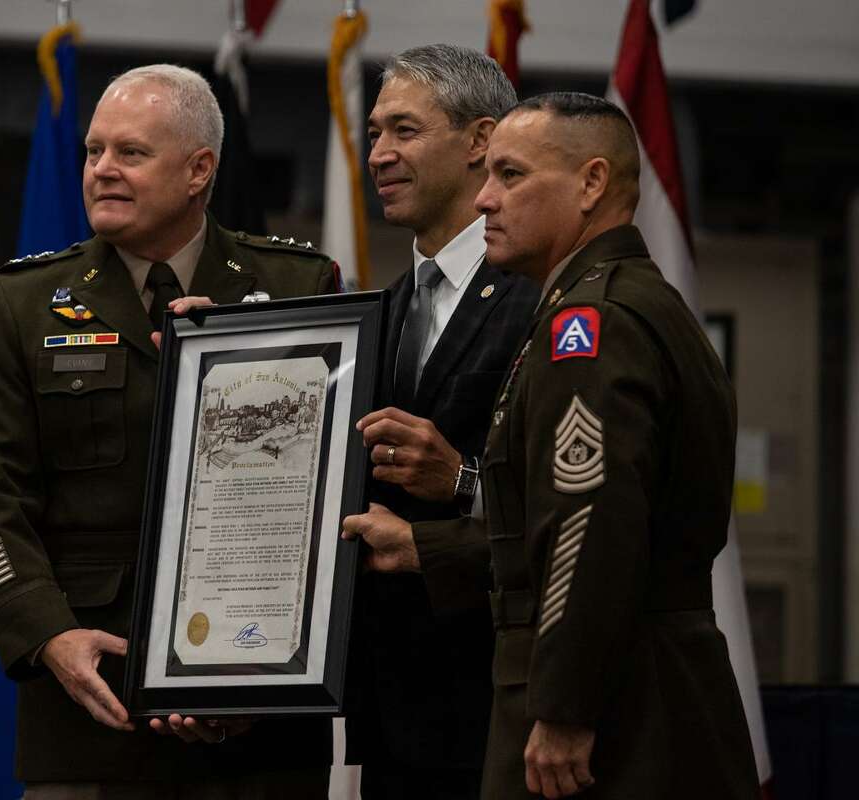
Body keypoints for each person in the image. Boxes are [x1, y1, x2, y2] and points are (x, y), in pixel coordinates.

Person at [347, 91, 763, 800]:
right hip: (638, 683)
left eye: (511, 176)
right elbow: (547, 523)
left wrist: (564, 707)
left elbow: (587, 528)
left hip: (613, 710)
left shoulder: (590, 326)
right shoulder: (622, 302)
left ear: (592, 184)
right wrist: (430, 549)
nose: (484, 200)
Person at [0, 64, 338, 799]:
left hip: (262, 711)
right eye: (94, 151)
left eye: (130, 153)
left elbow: (324, 493)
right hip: (94, 704)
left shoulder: (294, 288)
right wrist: (47, 635)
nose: (102, 170)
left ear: (199, 170)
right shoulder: (24, 304)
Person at [342, 45, 539, 799]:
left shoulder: (537, 294)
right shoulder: (383, 308)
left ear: (480, 142)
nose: (379, 155)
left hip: (501, 714)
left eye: (403, 130)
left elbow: (575, 506)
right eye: (372, 134)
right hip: (393, 717)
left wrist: (460, 479)